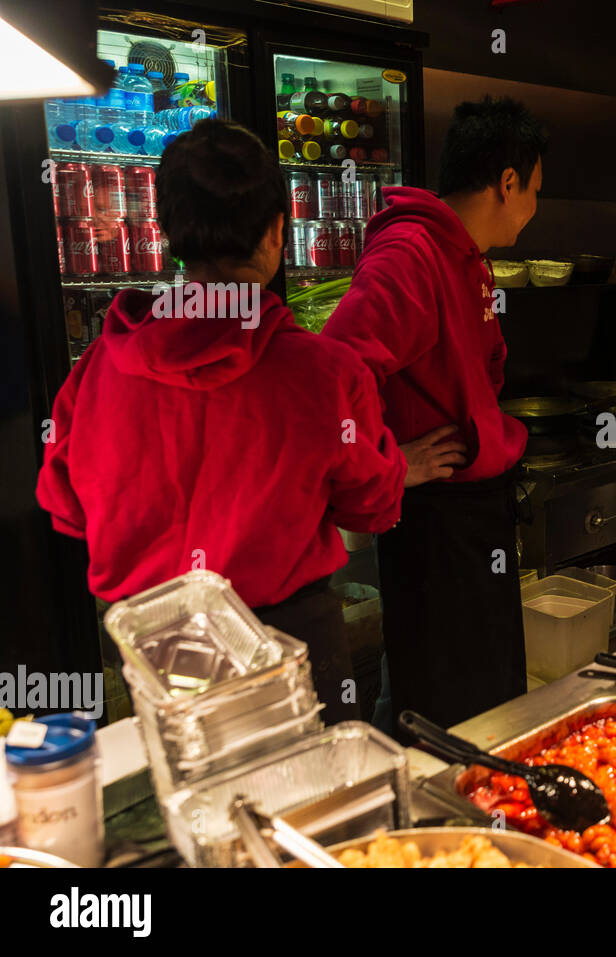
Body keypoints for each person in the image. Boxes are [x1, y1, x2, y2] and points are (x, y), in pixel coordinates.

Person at [35, 120, 425, 724]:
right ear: (276, 231)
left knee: (185, 808)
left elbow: (63, 507)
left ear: (169, 235)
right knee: (313, 812)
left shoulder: (97, 367)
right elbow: (371, 505)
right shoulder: (323, 370)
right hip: (285, 644)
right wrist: (400, 465)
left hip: (152, 650)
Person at [322, 96, 546, 728]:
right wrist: (392, 464)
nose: (534, 208)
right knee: (449, 709)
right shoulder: (411, 254)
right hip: (437, 524)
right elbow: (336, 369)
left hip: (475, 517)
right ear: (506, 184)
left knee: (493, 703)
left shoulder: (467, 257)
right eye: (534, 191)